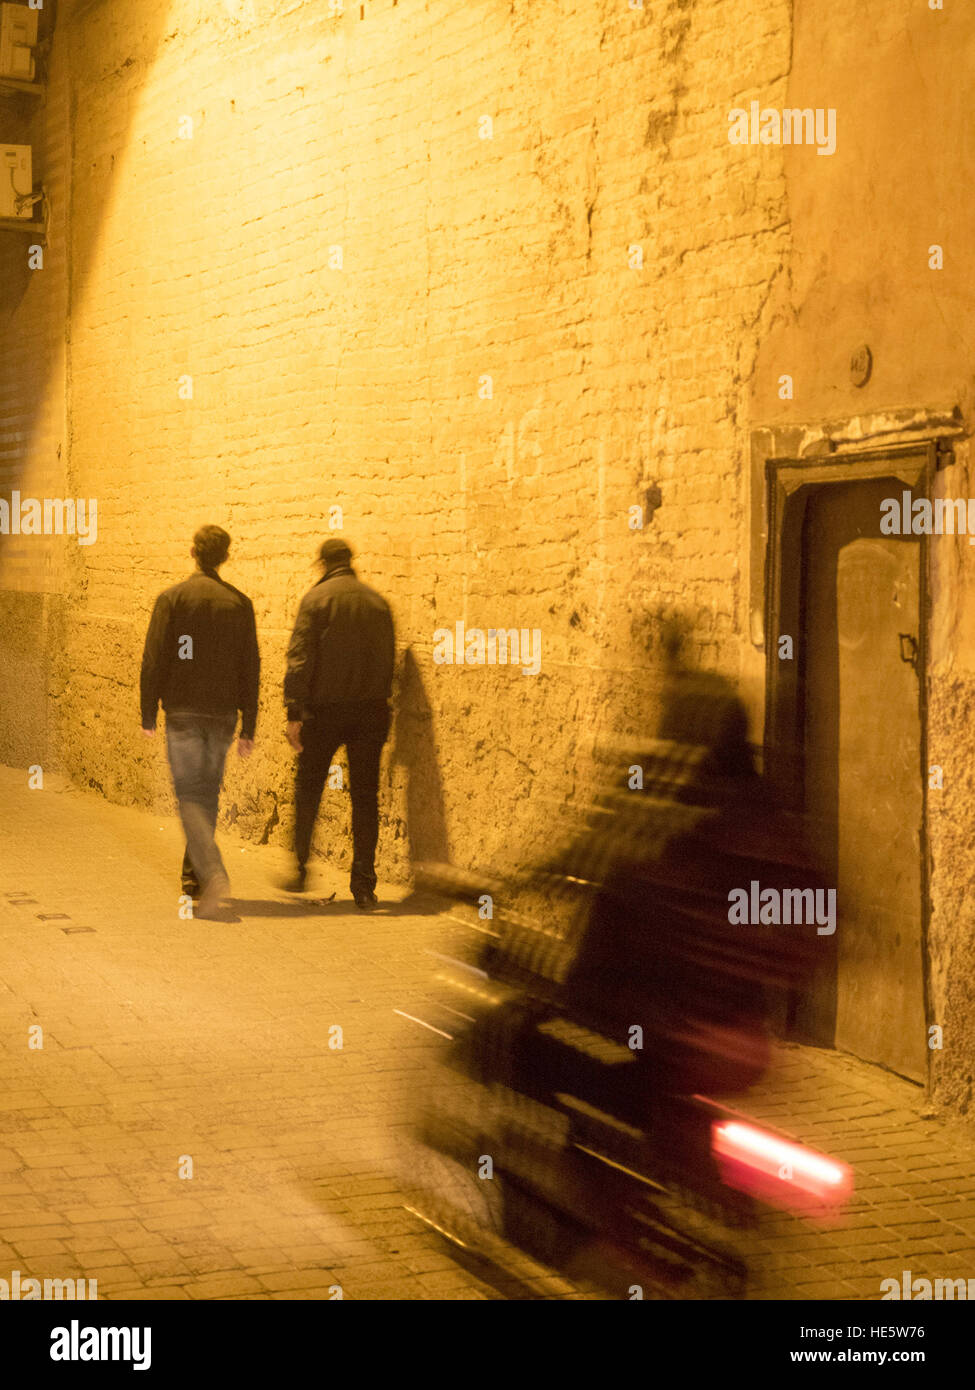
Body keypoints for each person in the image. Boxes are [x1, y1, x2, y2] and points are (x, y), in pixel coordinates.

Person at [140, 525, 260, 921]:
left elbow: (155, 658)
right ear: (225, 557)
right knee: (205, 794)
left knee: (190, 795)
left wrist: (147, 712)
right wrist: (249, 725)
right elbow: (251, 667)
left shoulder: (172, 599)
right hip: (224, 714)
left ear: (192, 551)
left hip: (184, 712)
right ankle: (192, 877)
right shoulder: (240, 604)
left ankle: (212, 872)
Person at [283, 538, 395, 908]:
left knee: (309, 787)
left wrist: (294, 712)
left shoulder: (316, 601)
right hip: (370, 712)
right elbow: (388, 662)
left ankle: (300, 867)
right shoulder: (378, 603)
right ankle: (363, 885)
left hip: (324, 713)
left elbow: (300, 660)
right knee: (365, 798)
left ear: (323, 564)